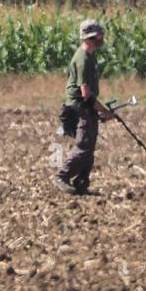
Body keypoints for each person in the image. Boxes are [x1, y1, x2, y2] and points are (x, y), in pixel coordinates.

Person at [55, 20, 112, 196]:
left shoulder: (90, 55)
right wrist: (103, 111)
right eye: (99, 35)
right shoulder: (83, 59)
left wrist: (101, 110)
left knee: (90, 145)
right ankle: (62, 176)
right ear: (91, 37)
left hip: (86, 104)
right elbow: (85, 93)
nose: (102, 38)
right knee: (84, 145)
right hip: (80, 106)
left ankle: (81, 183)